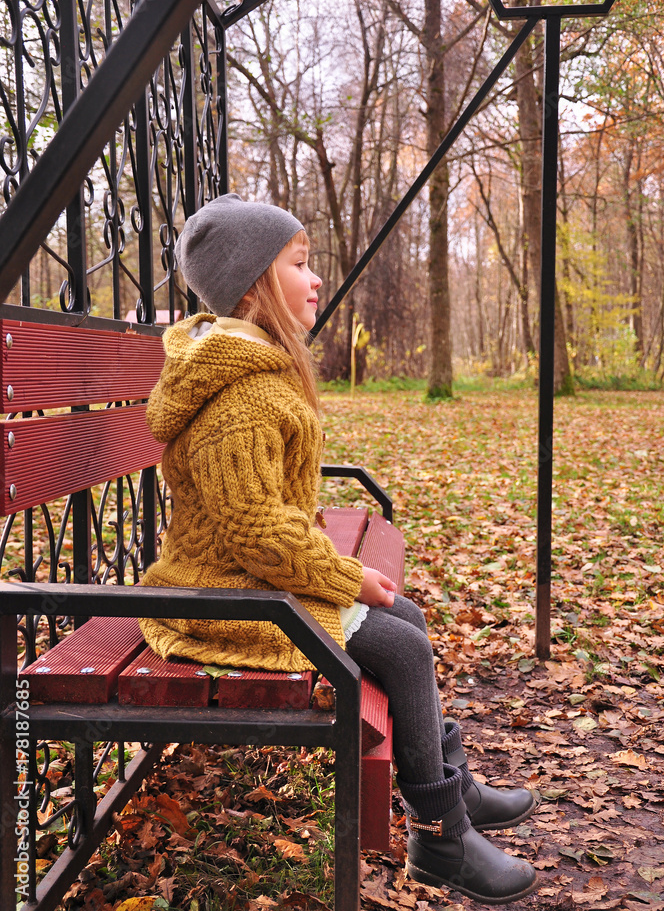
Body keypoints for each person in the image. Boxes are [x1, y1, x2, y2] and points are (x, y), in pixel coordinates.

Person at [139, 193, 538, 904]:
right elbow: (258, 530)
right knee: (403, 644)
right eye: (299, 263)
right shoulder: (240, 396)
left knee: (405, 624)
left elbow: (264, 520)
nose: (316, 276)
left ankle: (456, 793)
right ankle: (441, 841)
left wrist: (342, 579)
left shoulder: (252, 372)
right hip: (219, 593)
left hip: (248, 577)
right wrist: (346, 577)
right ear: (254, 283)